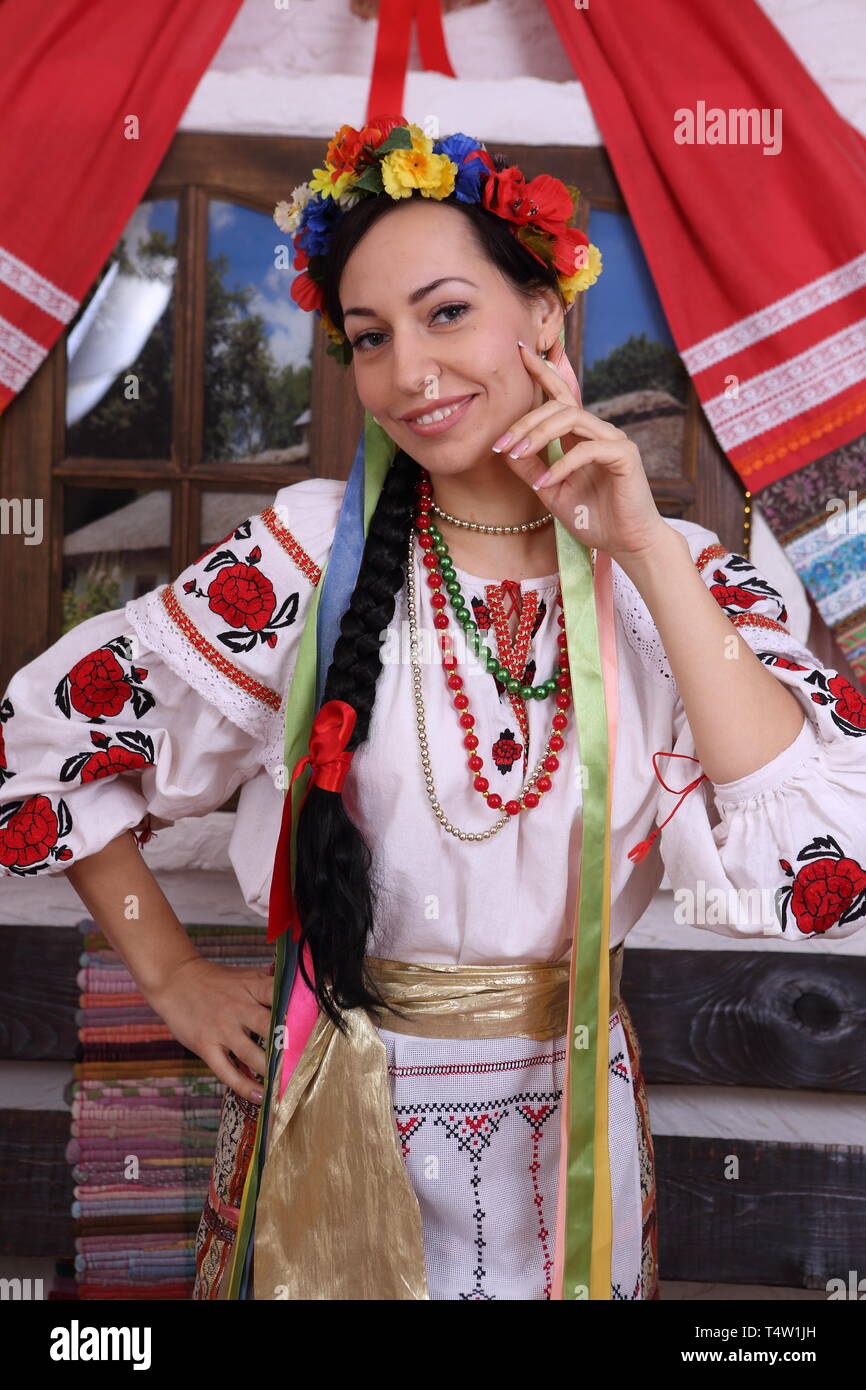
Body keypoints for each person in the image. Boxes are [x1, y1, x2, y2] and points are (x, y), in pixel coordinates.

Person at [2, 118, 865, 1302]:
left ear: (545, 315)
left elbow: (820, 847)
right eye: (369, 337)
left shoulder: (682, 572)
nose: (408, 371)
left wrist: (642, 546)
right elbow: (50, 735)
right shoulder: (310, 555)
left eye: (445, 311)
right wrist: (172, 973)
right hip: (335, 1124)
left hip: (572, 1148)